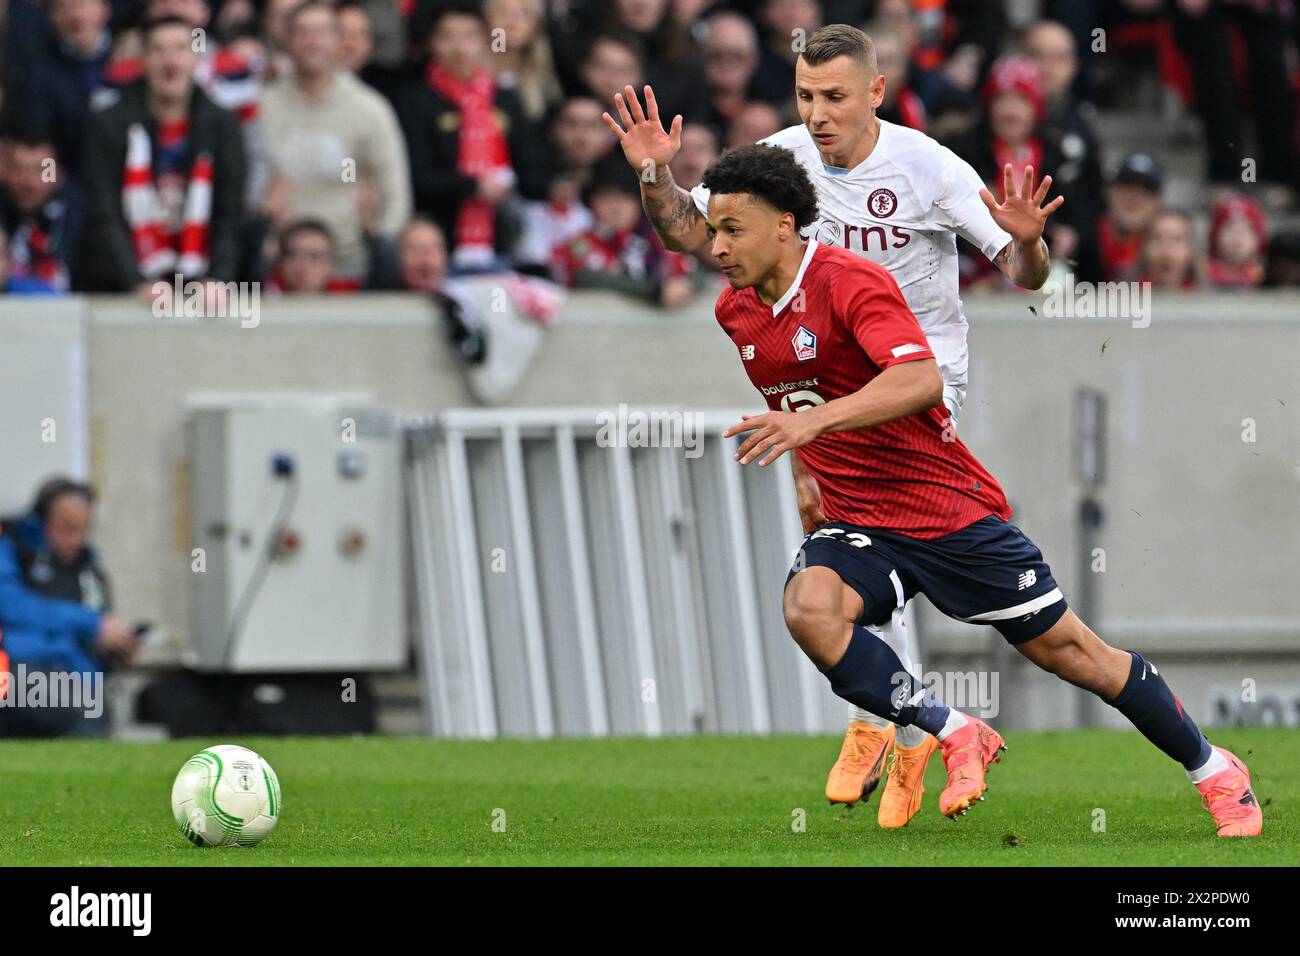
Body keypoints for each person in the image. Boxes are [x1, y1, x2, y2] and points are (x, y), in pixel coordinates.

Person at [704, 141, 1261, 838]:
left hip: (943, 509)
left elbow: (919, 381)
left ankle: (1214, 770)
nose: (718, 247)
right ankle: (952, 726)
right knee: (810, 611)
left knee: (1076, 656)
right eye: (714, 230)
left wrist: (812, 424)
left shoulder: (851, 282)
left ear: (784, 224)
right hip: (860, 518)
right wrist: (805, 463)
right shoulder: (738, 311)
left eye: (733, 230)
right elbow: (796, 399)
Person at [604, 23, 1061, 827]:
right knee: (831, 540)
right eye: (807, 96)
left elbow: (1022, 271)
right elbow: (689, 231)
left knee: (870, 530)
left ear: (876, 93)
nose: (817, 114)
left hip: (915, 382)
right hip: (821, 381)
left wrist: (1032, 249)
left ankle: (891, 721)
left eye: (835, 97)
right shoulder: (782, 160)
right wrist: (654, 177)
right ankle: (909, 722)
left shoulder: (927, 167)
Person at [78, 15, 247, 294]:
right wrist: (136, 282)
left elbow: (231, 213)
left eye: (181, 49)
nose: (170, 62)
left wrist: (218, 278)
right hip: (126, 282)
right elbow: (103, 212)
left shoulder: (223, 125)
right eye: (158, 50)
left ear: (197, 60)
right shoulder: (108, 124)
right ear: (142, 60)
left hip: (203, 280)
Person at [260, 0, 412, 283]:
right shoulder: (262, 107)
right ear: (287, 40)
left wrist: (380, 234)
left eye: (322, 32)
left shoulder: (370, 109)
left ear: (339, 40)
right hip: (278, 263)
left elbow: (396, 194)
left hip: (352, 262)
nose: (312, 42)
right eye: (302, 32)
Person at [0, 478, 139, 737]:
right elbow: (11, 606)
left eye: (83, 529)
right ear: (40, 521)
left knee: (88, 706)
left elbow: (91, 646)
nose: (75, 539)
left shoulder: (90, 574)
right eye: (66, 528)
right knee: (79, 707)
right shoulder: (9, 547)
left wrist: (112, 649)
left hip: (75, 679)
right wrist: (89, 624)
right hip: (13, 671)